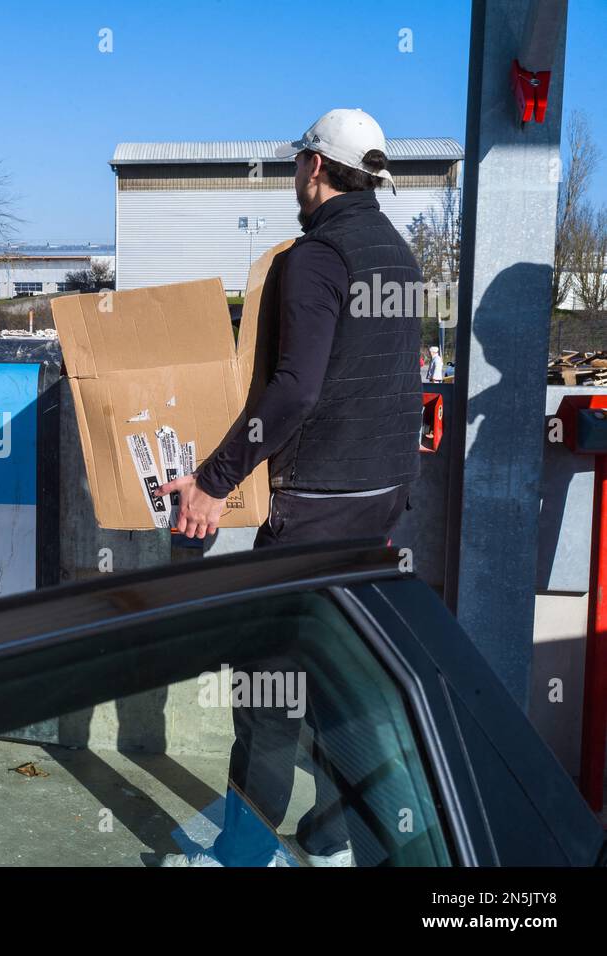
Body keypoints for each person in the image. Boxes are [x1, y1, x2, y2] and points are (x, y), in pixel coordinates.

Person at [158, 108, 423, 867]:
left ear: (313, 167)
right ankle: (334, 838)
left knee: (268, 690)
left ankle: (244, 854)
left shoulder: (315, 257)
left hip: (315, 503)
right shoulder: (399, 256)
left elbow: (296, 390)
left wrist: (212, 483)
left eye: (295, 164)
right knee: (340, 679)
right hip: (379, 498)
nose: (292, 176)